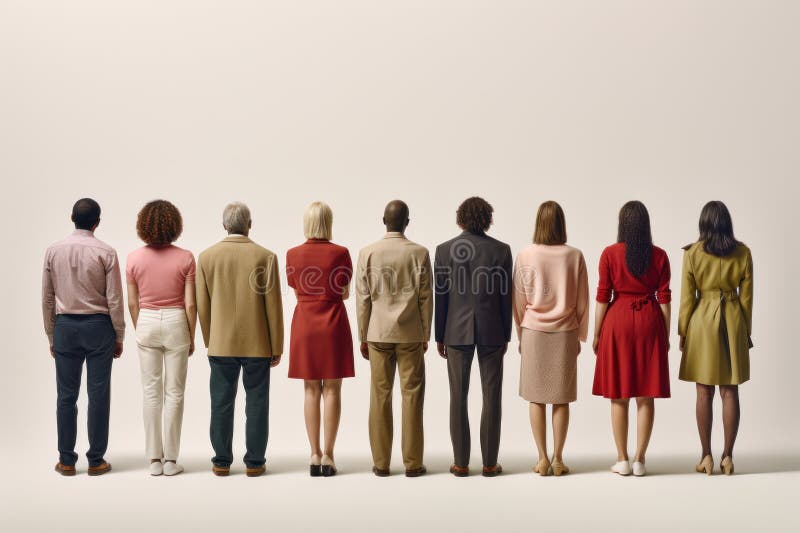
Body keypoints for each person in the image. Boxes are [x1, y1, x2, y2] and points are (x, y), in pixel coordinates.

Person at [196, 202, 284, 477]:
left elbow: (203, 304)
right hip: (258, 342)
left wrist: (211, 338)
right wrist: (276, 345)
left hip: (221, 342)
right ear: (249, 224)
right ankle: (255, 462)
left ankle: (221, 461)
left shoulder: (207, 257)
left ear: (224, 226)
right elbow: (273, 306)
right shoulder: (265, 257)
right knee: (257, 403)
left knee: (220, 403)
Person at [42, 198, 124, 476]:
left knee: (66, 396)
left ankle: (66, 460)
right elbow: (114, 298)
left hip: (65, 327)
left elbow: (47, 297)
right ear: (97, 222)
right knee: (98, 395)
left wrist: (51, 334)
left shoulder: (53, 251)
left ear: (71, 217)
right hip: (99, 326)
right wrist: (119, 334)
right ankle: (96, 460)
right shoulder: (107, 252)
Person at [591, 201, 671, 477]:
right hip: (650, 322)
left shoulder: (609, 254)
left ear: (622, 224)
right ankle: (640, 460)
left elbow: (603, 297)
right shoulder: (659, 256)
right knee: (646, 396)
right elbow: (664, 300)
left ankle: (622, 459)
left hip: (618, 323)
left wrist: (596, 332)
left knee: (619, 395)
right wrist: (666, 334)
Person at [435, 197, 512, 477]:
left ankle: (460, 464)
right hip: (492, 329)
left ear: (461, 218)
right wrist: (506, 334)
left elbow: (440, 297)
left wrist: (439, 335)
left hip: (455, 330)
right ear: (488, 218)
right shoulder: (501, 251)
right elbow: (506, 297)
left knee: (458, 397)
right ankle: (490, 464)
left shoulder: (444, 251)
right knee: (492, 397)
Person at [356, 200, 433, 477]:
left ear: (383, 220)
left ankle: (381, 463)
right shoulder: (420, 253)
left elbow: (363, 298)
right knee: (411, 396)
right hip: (410, 333)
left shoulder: (367, 253)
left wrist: (362, 335)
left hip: (377, 333)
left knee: (380, 396)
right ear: (407, 222)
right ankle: (412, 464)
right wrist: (426, 334)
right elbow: (425, 297)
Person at [512, 201, 589, 476]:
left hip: (533, 330)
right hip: (565, 331)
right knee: (561, 398)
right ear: (561, 223)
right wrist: (580, 336)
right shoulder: (575, 256)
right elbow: (582, 301)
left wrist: (522, 334)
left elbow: (518, 301)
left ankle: (542, 458)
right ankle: (558, 458)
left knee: (536, 396)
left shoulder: (525, 255)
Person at [678, 201, 753, 476]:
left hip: (701, 322)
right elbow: (747, 300)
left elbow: (687, 299)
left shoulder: (692, 253)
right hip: (733, 319)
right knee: (730, 389)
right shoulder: (743, 252)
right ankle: (728, 457)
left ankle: (706, 456)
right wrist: (745, 333)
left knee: (703, 390)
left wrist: (683, 332)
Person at [126, 200, 196, 476]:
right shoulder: (186, 257)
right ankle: (171, 461)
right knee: (175, 392)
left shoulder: (133, 258)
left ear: (143, 225)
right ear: (175, 225)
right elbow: (191, 305)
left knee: (151, 391)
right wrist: (191, 336)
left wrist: (140, 326)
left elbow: (133, 303)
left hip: (147, 321)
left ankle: (154, 458)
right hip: (178, 321)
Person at [286, 201, 355, 477]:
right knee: (333, 390)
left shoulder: (293, 254)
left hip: (305, 323)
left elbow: (296, 291)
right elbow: (346, 293)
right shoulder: (341, 253)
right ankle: (329, 454)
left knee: (310, 390)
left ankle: (313, 454)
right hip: (334, 322)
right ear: (329, 222)